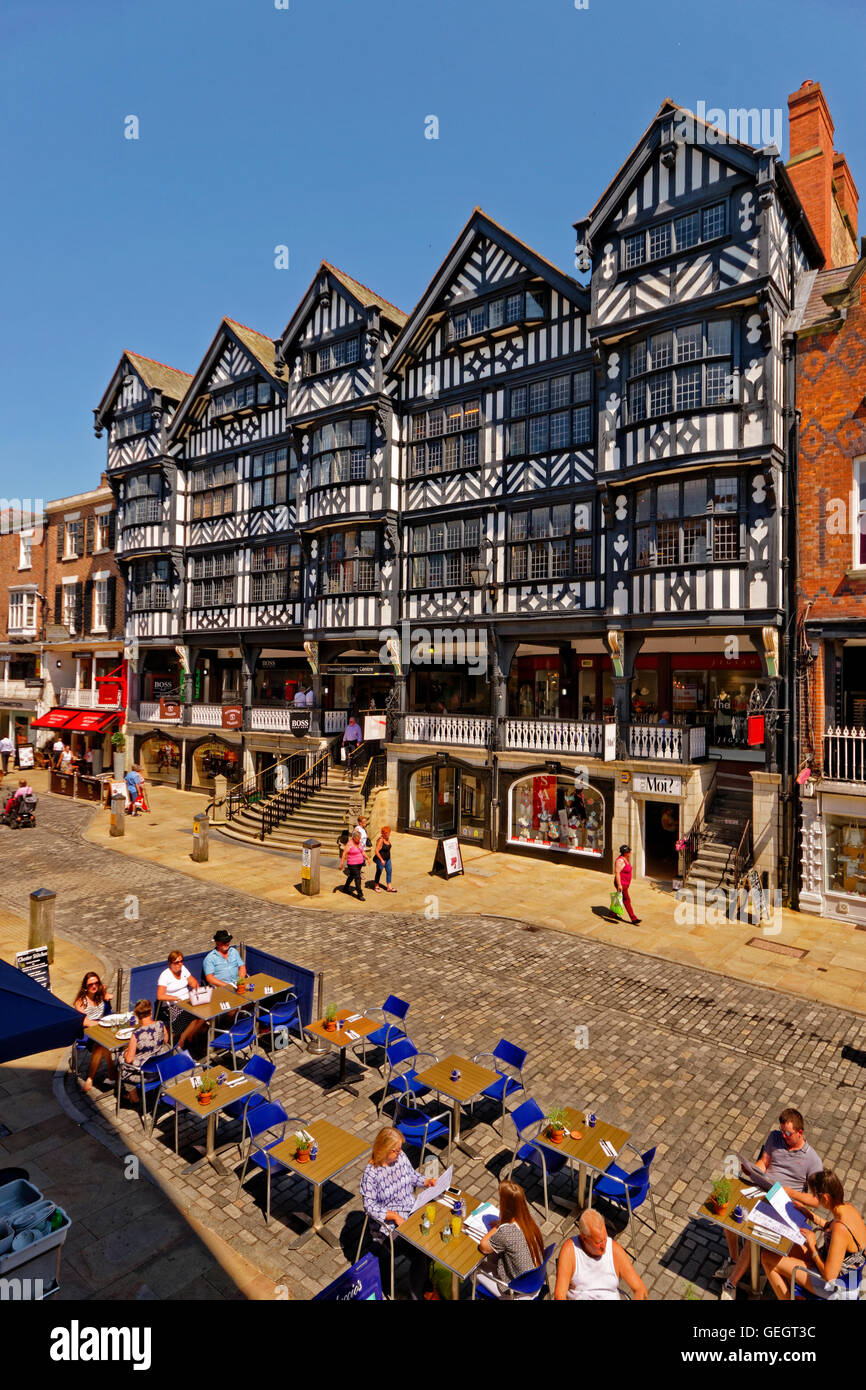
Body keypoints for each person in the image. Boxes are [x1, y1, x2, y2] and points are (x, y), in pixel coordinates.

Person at [717, 1106, 823, 1300]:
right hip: (764, 1189)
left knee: (753, 1235)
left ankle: (731, 1282)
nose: (783, 1136)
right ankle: (733, 1258)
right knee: (728, 1212)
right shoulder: (775, 1137)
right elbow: (764, 1162)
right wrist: (754, 1171)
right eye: (782, 1131)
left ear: (800, 1133)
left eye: (788, 1133)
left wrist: (788, 1192)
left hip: (785, 1204)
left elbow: (815, 1201)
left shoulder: (812, 1160)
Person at [762, 1169, 866, 1300]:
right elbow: (831, 1227)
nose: (814, 1199)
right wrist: (812, 1216)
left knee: (767, 1257)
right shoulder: (848, 1208)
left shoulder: (841, 1229)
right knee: (788, 1247)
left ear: (826, 1198)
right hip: (845, 1275)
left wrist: (813, 1247)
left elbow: (830, 1277)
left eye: (815, 1196)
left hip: (837, 1288)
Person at [359, 1127, 436, 1299]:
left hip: (410, 1211)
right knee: (420, 1251)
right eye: (395, 1150)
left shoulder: (400, 1157)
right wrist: (393, 1215)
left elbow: (411, 1175)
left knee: (432, 1238)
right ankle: (417, 1294)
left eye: (400, 1148)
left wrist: (426, 1181)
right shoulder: (371, 1174)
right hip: (387, 1226)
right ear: (383, 1150)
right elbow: (369, 1206)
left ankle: (426, 1283)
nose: (400, 1152)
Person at [554, 1208, 648, 1300]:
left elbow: (640, 1289)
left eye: (605, 1238)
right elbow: (559, 1296)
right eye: (598, 1242)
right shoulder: (570, 1251)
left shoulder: (615, 1251)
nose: (604, 1245)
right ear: (584, 1238)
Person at [476, 1181, 545, 1297]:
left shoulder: (506, 1231)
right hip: (535, 1279)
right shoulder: (532, 1217)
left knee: (474, 1271)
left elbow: (483, 1247)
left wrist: (499, 1225)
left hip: (516, 1289)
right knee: (495, 1255)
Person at [72, 971, 117, 1093]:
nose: (94, 986)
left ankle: (108, 1074)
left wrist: (106, 994)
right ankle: (96, 1076)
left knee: (107, 1042)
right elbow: (85, 1022)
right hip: (87, 1033)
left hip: (102, 1030)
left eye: (96, 983)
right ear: (85, 987)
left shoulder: (100, 995)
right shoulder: (81, 1002)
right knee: (100, 1046)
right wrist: (102, 1024)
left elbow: (109, 998)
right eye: (91, 984)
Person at [120, 999, 170, 1105]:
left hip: (145, 1075)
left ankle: (133, 1095)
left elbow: (129, 1060)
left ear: (137, 1016)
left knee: (121, 1062)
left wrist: (125, 1053)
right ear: (151, 1012)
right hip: (160, 1070)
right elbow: (166, 1040)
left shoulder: (136, 1034)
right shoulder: (160, 1024)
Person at [156, 950, 208, 1051]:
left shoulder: (183, 969)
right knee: (193, 1017)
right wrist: (175, 998)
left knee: (204, 1014)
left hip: (188, 1001)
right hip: (172, 1005)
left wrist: (195, 987)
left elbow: (193, 982)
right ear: (170, 963)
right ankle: (182, 1042)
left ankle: (188, 1036)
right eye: (176, 962)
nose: (180, 964)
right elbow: (160, 996)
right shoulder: (165, 975)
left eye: (181, 961)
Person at [614, 845, 641, 924]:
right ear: (625, 853)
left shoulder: (625, 859)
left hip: (625, 884)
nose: (630, 853)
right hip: (622, 884)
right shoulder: (620, 861)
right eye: (629, 852)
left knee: (619, 898)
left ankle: (613, 913)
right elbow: (617, 873)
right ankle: (633, 918)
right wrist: (619, 885)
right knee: (627, 900)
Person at [340, 829, 367, 901]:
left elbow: (362, 851)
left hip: (359, 864)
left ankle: (345, 888)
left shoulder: (358, 842)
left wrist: (367, 858)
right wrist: (342, 863)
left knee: (352, 876)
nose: (359, 839)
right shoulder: (349, 844)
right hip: (352, 864)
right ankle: (360, 894)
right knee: (357, 878)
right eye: (358, 838)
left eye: (360, 838)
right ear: (354, 837)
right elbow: (344, 854)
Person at [373, 825, 396, 893]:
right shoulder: (381, 840)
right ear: (383, 833)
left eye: (389, 832)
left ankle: (389, 887)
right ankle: (376, 885)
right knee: (379, 872)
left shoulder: (387, 839)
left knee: (389, 871)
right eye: (386, 833)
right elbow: (376, 851)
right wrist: (381, 860)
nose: (388, 834)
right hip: (381, 860)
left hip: (388, 859)